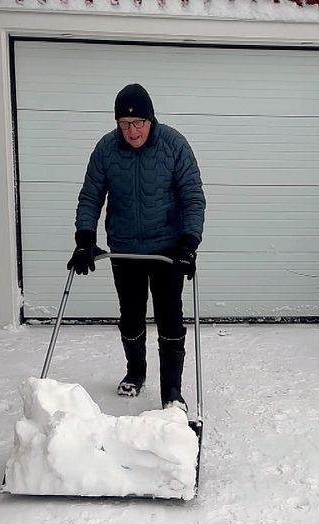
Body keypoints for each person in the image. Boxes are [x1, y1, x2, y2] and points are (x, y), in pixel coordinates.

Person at [67, 83, 206, 413]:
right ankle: (136, 372)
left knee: (170, 319)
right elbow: (91, 196)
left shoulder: (174, 145)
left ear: (151, 119)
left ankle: (172, 391)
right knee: (130, 317)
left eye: (138, 123)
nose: (132, 131)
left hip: (166, 249)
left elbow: (193, 197)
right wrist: (84, 238)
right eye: (124, 124)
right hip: (125, 249)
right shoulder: (106, 149)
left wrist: (189, 242)